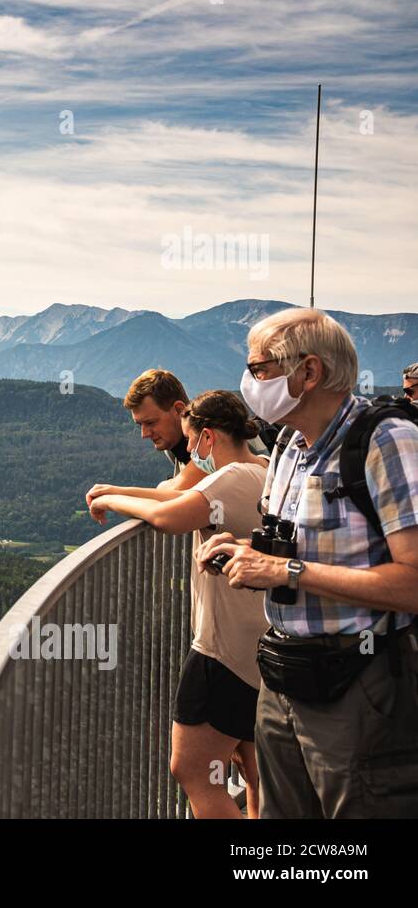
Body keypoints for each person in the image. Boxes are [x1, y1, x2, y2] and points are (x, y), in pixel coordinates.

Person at [199, 307, 418, 818]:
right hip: (283, 678)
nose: (249, 384)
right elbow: (298, 549)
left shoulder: (386, 440)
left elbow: (413, 581)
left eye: (259, 370)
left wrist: (286, 572)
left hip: (359, 684)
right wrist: (253, 555)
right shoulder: (290, 447)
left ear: (310, 372)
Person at [89, 390, 270, 818]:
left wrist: (109, 501)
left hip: (223, 651)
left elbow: (171, 516)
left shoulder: (232, 478)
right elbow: (177, 498)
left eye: (192, 441)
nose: (189, 451)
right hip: (258, 646)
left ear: (208, 437)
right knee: (253, 766)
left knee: (191, 769)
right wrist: (115, 490)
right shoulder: (263, 469)